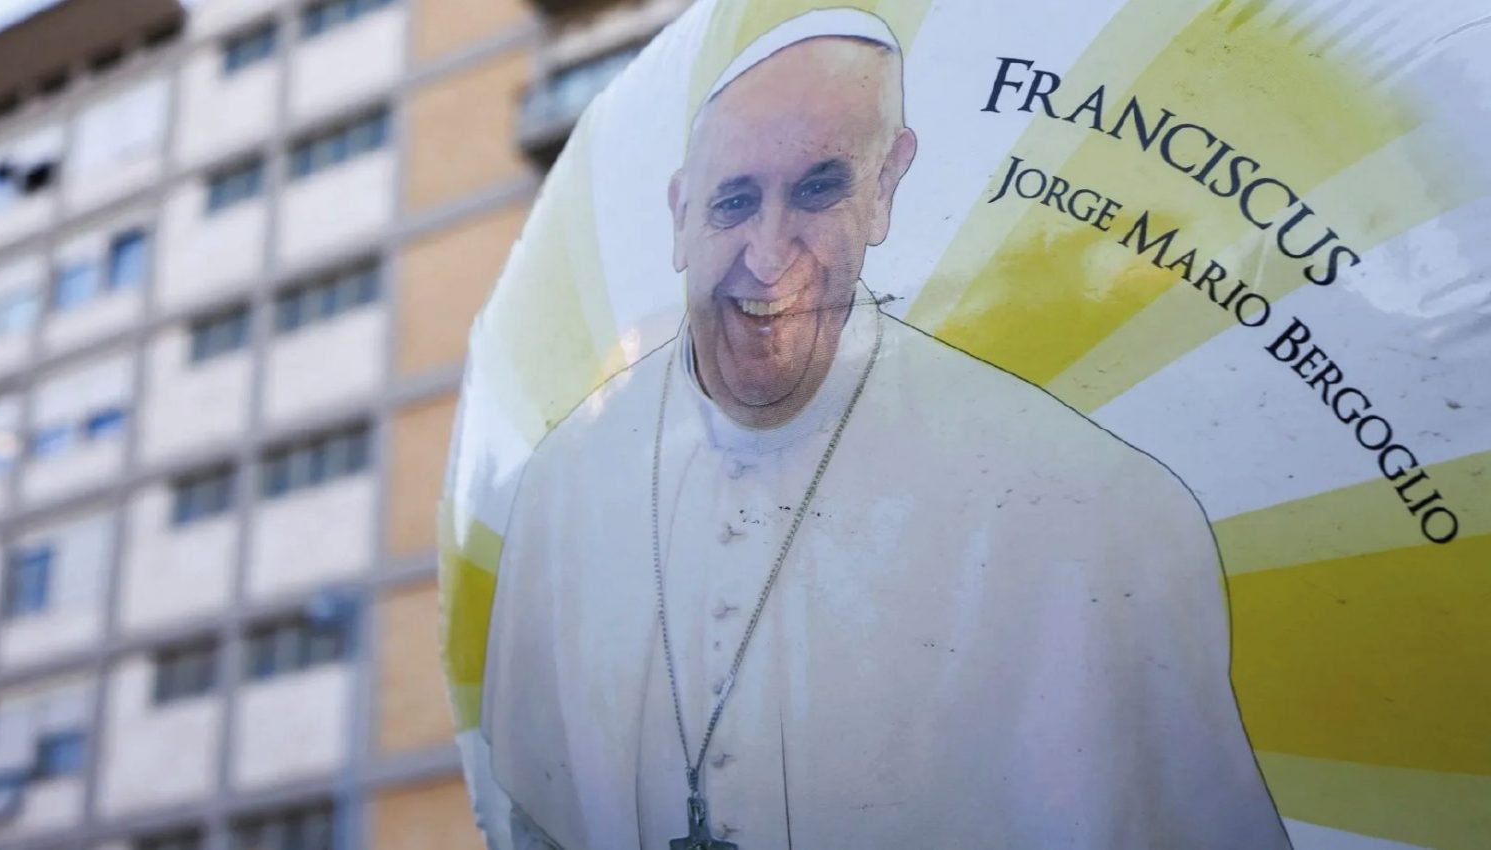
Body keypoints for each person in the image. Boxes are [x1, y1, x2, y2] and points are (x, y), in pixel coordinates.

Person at [479, 10, 1291, 850]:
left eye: (820, 189)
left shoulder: (1093, 503)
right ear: (681, 213)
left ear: (885, 186)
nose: (767, 254)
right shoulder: (565, 483)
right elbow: (535, 819)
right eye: (733, 202)